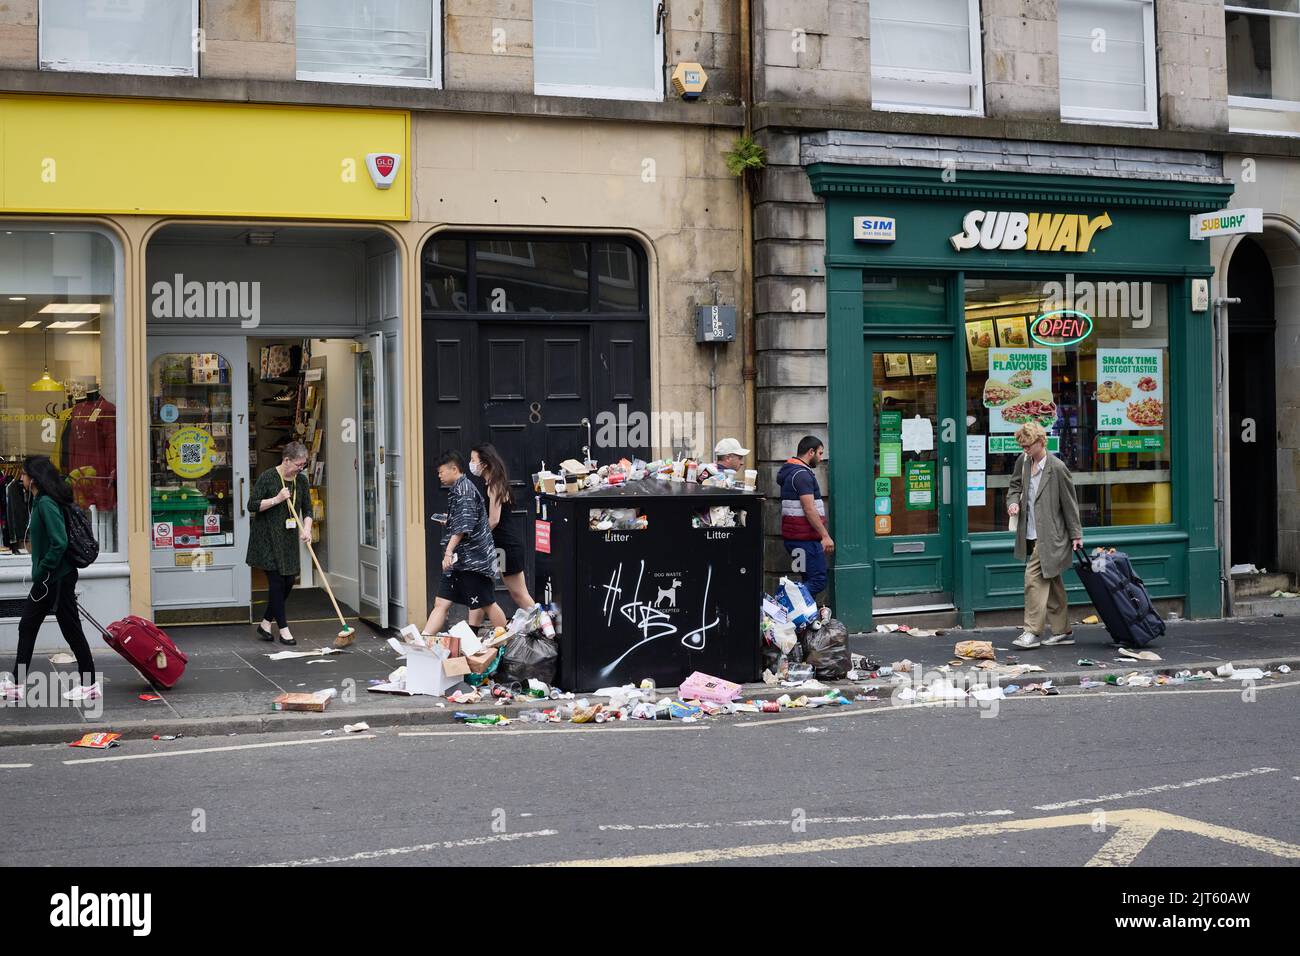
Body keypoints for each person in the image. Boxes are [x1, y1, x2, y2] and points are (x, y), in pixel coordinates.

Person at [1, 456, 98, 702]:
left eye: (23, 475)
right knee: (32, 627)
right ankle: (16, 683)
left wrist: (43, 569)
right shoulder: (42, 501)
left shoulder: (45, 503)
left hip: (55, 578)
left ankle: (88, 684)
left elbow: (60, 541)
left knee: (64, 630)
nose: (20, 478)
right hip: (53, 579)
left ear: (33, 478)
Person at [1007, 421, 1083, 649]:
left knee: (1033, 578)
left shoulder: (1057, 468)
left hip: (1052, 536)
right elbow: (1014, 487)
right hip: (1029, 532)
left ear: (1041, 442)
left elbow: (1070, 504)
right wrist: (1013, 503)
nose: (1024, 450)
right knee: (1052, 580)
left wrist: (1076, 534)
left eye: (1028, 446)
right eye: (1022, 446)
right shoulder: (1023, 462)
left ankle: (1031, 632)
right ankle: (1063, 630)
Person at [422, 451, 507, 637]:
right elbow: (462, 522)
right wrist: (450, 521)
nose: (439, 475)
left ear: (454, 469)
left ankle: (508, 641)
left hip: (473, 561)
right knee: (441, 602)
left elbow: (462, 528)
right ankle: (424, 642)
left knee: (487, 603)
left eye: (441, 472)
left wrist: (448, 552)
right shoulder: (457, 489)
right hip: (459, 562)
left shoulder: (465, 491)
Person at [246, 441, 313, 646]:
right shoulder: (268, 477)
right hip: (266, 538)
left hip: (288, 538)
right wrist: (276, 499)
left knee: (289, 581)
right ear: (286, 460)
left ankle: (265, 623)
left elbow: (308, 509)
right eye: (298, 464)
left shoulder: (300, 481)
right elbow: (252, 505)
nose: (300, 468)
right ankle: (284, 629)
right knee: (276, 583)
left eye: (303, 465)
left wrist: (307, 529)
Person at [466, 443, 536, 624]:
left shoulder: (494, 485)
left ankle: (544, 629)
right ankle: (473, 634)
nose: (471, 464)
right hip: (496, 545)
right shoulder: (492, 483)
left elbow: (494, 520)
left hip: (505, 546)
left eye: (473, 460)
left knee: (518, 593)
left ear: (485, 463)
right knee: (479, 590)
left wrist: (475, 537)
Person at [777, 436, 833, 598]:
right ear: (811, 452)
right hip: (805, 541)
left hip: (794, 540)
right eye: (820, 454)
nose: (821, 459)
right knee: (818, 580)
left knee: (806, 578)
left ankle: (805, 620)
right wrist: (825, 535)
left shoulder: (791, 472)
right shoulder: (802, 475)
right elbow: (809, 509)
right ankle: (784, 603)